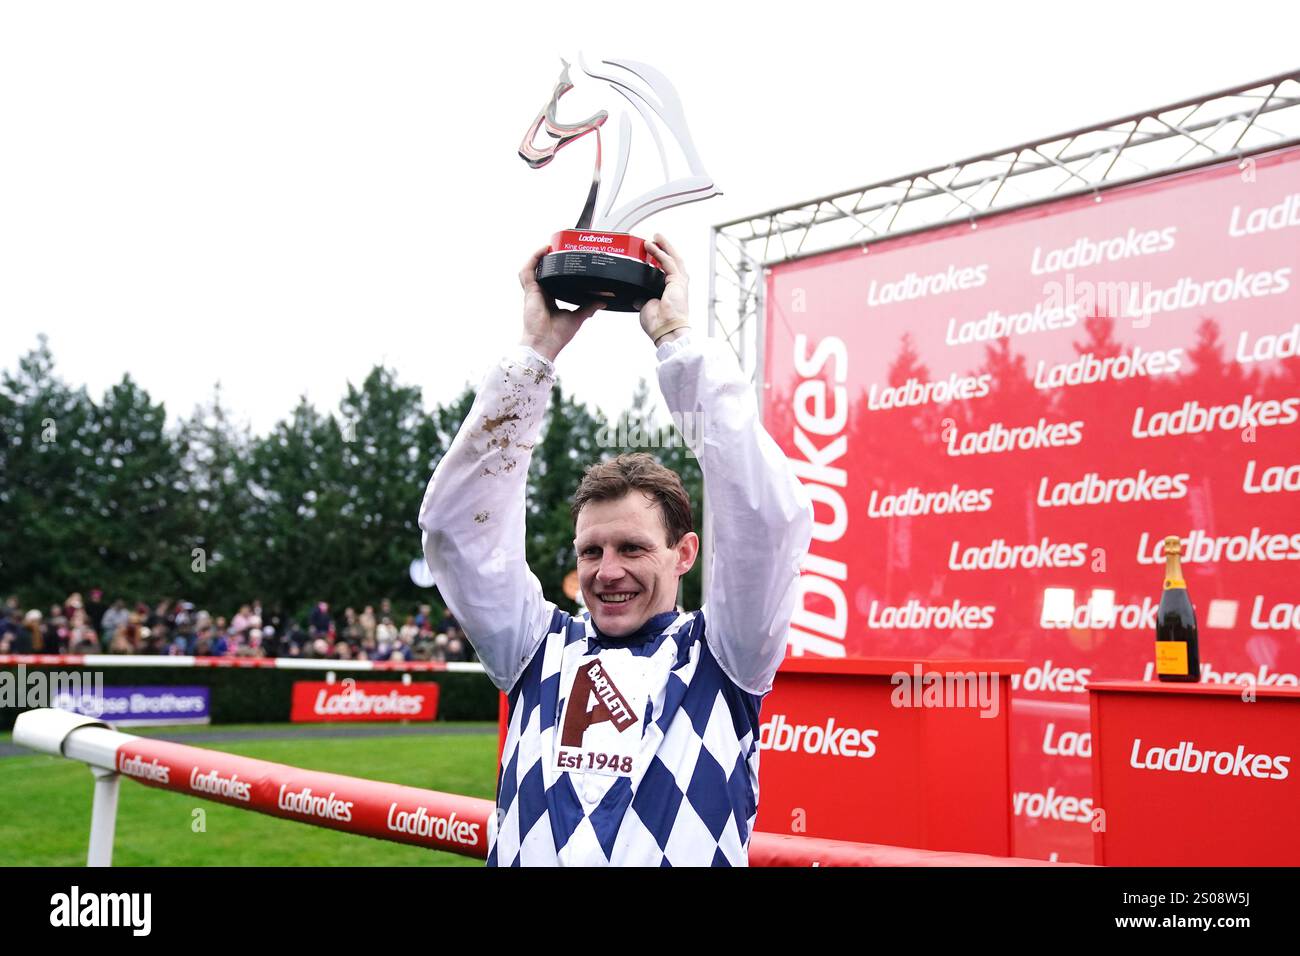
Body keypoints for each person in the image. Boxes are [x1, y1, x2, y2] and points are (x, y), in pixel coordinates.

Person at [419, 235, 813, 867]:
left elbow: (767, 515)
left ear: (685, 554)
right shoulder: (534, 647)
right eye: (590, 551)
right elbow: (456, 529)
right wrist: (535, 354)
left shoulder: (726, 654)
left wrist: (678, 340)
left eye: (632, 547)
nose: (607, 572)